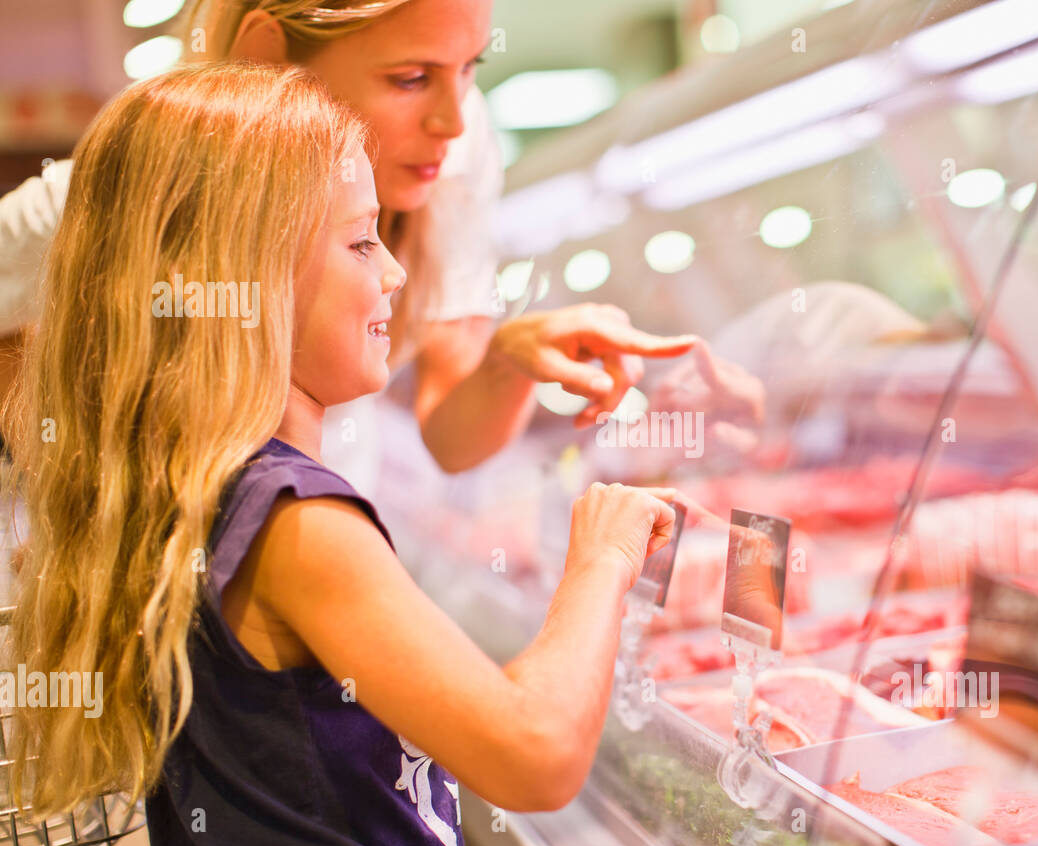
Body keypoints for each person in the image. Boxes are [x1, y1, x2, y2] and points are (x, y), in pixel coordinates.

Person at [2, 62, 679, 846]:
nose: (394, 272)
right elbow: (535, 754)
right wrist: (602, 559)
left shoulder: (187, 485)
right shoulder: (292, 522)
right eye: (362, 241)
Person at [0, 0, 697, 488]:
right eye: (411, 78)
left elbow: (450, 440)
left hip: (318, 525)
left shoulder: (455, 147)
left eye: (470, 68)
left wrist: (508, 360)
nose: (453, 119)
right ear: (266, 55)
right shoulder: (118, 191)